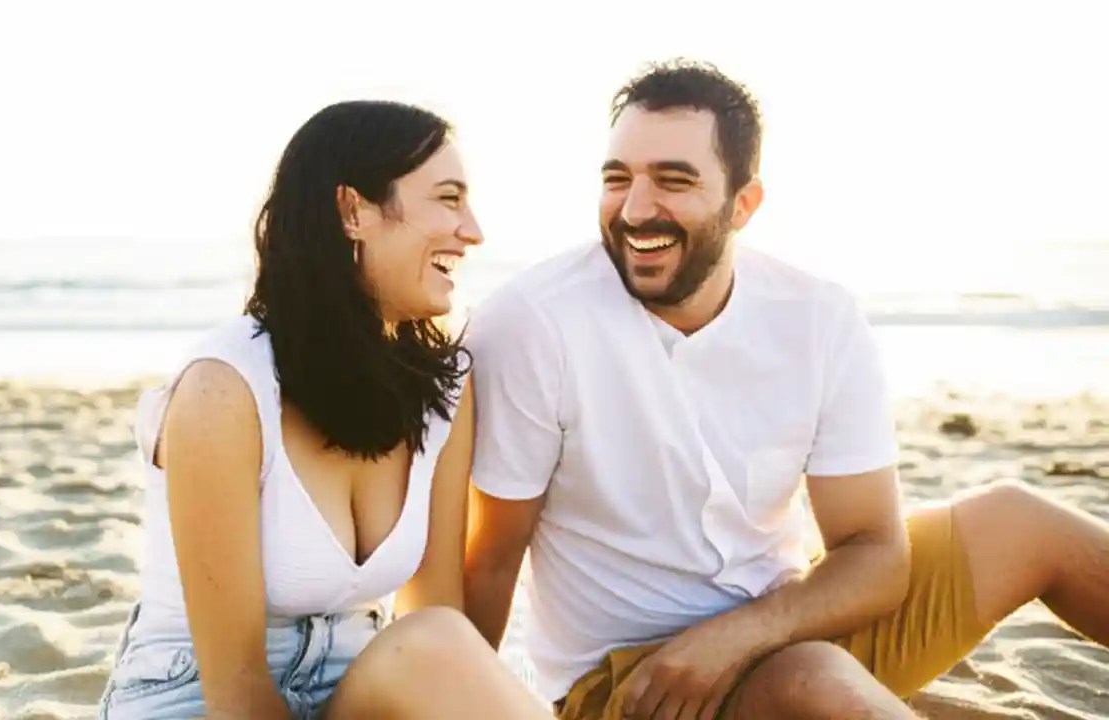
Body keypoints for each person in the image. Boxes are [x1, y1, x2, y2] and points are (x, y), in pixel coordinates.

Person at [463, 58, 1109, 720]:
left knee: (1022, 522)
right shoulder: (533, 324)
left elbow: (876, 554)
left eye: (673, 181)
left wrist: (741, 636)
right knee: (812, 678)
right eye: (617, 179)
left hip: (787, 625)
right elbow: (487, 563)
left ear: (743, 204)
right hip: (632, 688)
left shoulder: (816, 317)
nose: (634, 209)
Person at [97, 99, 551, 719]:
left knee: (439, 641)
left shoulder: (444, 389)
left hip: (353, 693)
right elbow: (237, 694)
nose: (472, 231)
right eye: (448, 200)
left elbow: (434, 619)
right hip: (197, 700)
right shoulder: (224, 392)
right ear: (352, 211)